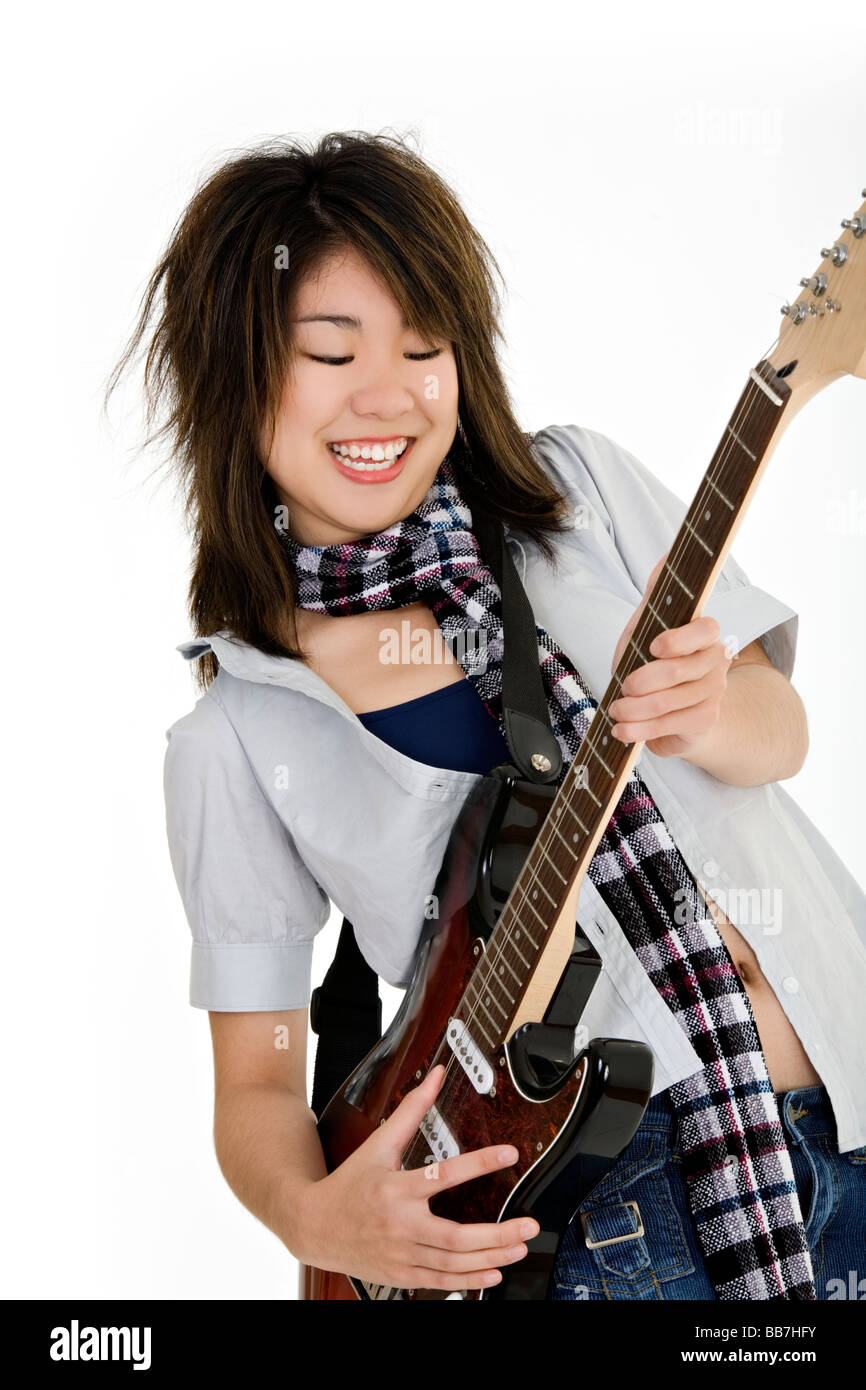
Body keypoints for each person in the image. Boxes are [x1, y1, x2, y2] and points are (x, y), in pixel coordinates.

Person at [108, 130, 866, 1300]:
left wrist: (709, 706)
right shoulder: (238, 733)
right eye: (328, 351)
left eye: (425, 346)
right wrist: (321, 1217)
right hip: (621, 1214)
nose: (389, 394)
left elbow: (780, 730)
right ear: (234, 375)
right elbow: (257, 1081)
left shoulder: (576, 495)